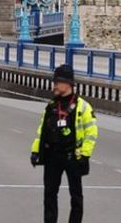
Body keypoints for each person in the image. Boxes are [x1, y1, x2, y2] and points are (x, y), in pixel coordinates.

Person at [30, 64, 98, 223]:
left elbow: (91, 133)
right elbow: (42, 131)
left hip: (72, 156)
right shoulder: (52, 106)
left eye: (57, 81)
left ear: (67, 84)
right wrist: (35, 151)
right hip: (52, 156)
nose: (54, 84)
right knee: (49, 195)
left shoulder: (83, 107)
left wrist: (85, 154)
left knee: (76, 197)